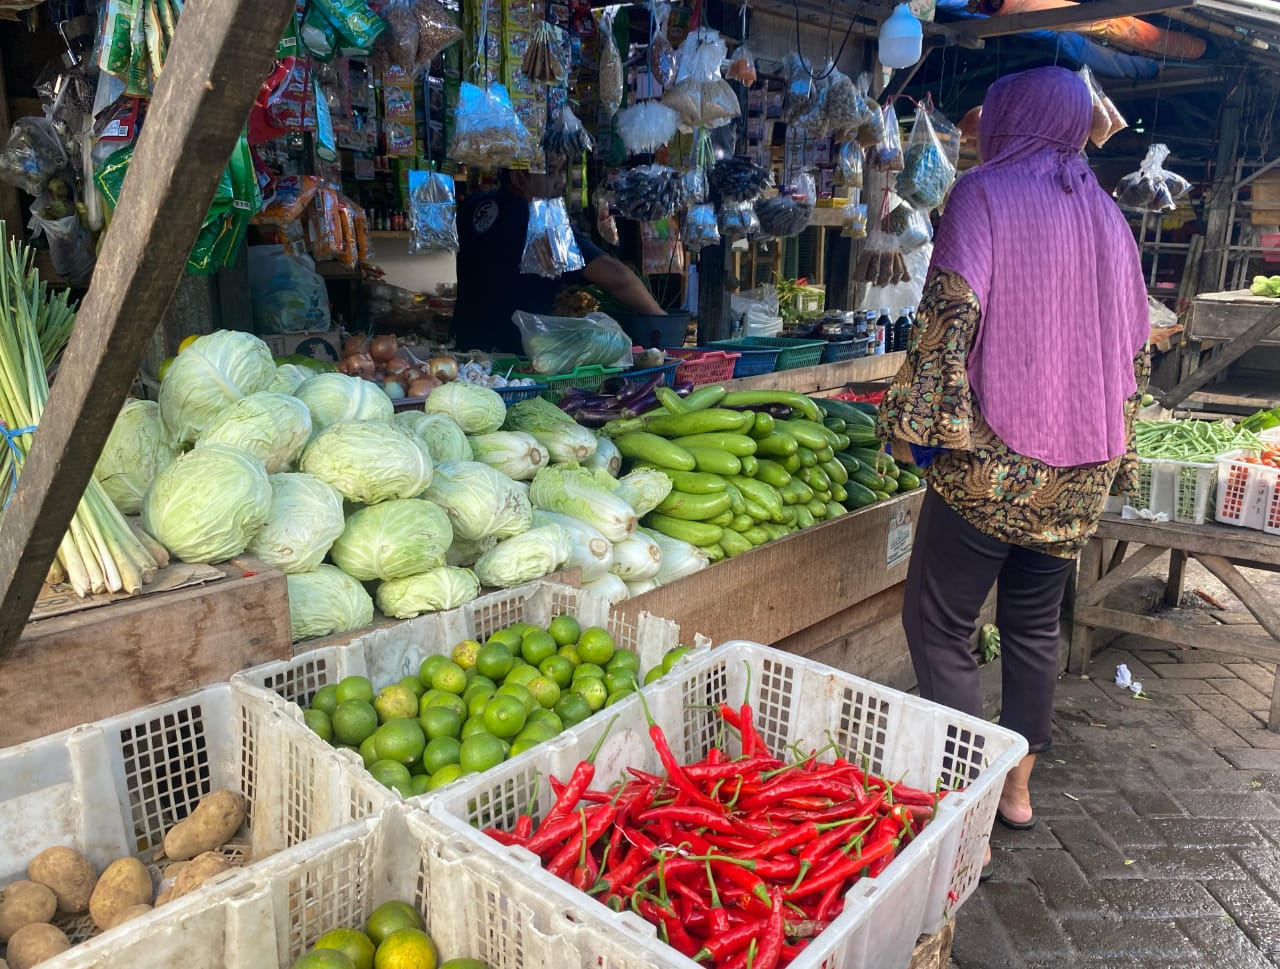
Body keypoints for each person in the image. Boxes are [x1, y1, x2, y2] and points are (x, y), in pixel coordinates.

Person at [876, 67, 1150, 861]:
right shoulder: (1106, 213)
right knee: (1032, 626)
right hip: (1086, 462)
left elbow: (948, 315)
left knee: (939, 621)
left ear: (1006, 120)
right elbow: (1134, 341)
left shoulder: (984, 194)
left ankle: (969, 803)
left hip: (997, 461)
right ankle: (1017, 790)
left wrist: (914, 426)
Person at [454, 155, 664, 354]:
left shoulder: (475, 205)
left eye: (562, 171)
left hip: (465, 349)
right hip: (516, 356)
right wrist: (661, 320)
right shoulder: (543, 224)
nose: (560, 182)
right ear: (518, 177)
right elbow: (619, 279)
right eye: (550, 172)